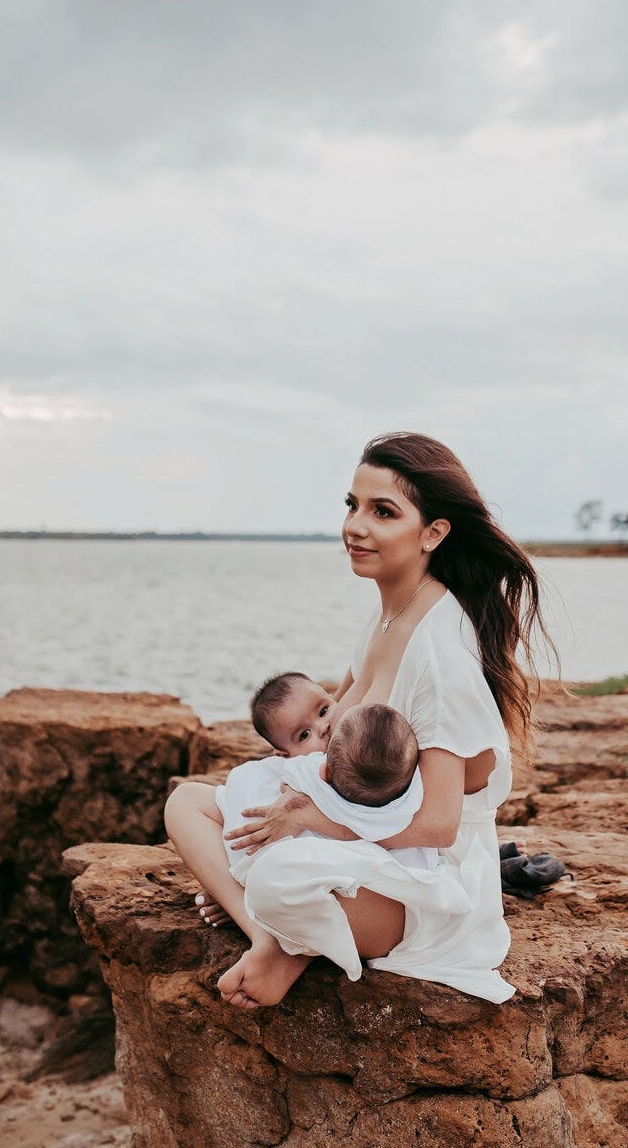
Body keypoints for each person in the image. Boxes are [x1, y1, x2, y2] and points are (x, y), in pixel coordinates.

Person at [164, 430, 554, 1009]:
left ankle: (278, 937)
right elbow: (322, 745)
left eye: (383, 512)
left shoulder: (441, 653)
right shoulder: (386, 617)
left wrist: (308, 822)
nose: (355, 525)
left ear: (433, 533)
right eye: (352, 504)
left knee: (272, 880)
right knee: (187, 802)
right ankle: (269, 936)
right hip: (358, 845)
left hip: (422, 891)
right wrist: (289, 817)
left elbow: (438, 826)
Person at [215, 677, 455, 880]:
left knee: (244, 779)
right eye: (304, 734)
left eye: (323, 710)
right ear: (284, 755)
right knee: (192, 798)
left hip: (356, 872)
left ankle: (243, 894)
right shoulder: (307, 766)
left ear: (336, 699)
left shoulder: (373, 752)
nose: (323, 727)